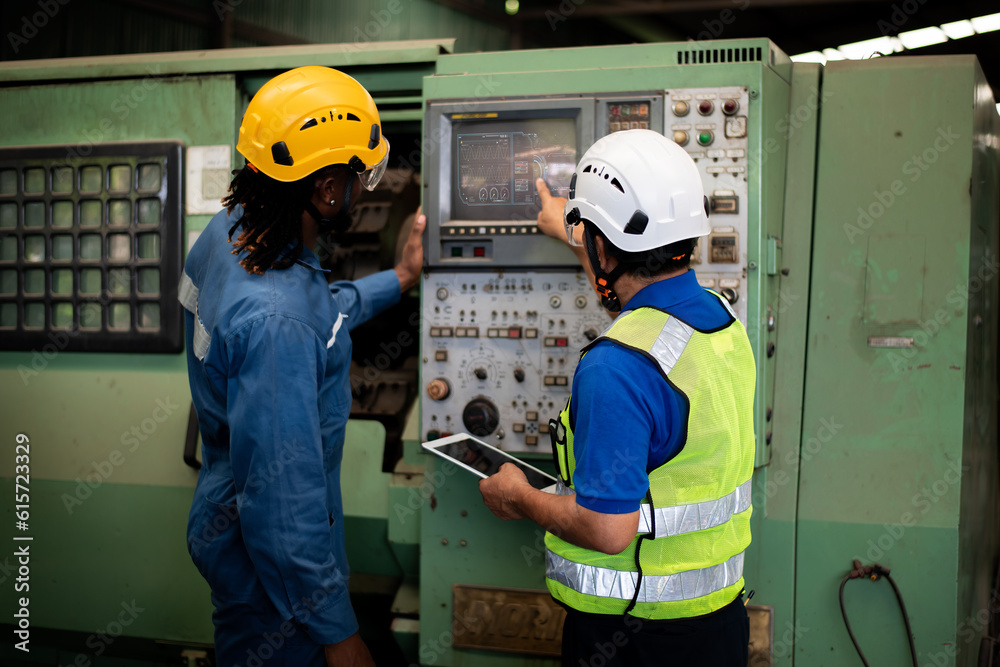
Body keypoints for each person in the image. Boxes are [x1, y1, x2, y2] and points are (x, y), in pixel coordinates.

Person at [478, 129, 755, 666]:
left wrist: (519, 497)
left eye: (590, 237)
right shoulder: (719, 319)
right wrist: (577, 231)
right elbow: (642, 314)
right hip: (717, 624)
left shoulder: (614, 367)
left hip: (632, 638)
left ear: (602, 246)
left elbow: (607, 530)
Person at [179, 66, 424, 667]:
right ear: (325, 191)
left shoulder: (231, 233)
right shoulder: (276, 321)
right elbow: (282, 505)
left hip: (230, 521)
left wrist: (399, 280)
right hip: (277, 587)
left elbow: (316, 315)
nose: (367, 187)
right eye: (359, 174)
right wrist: (339, 635)